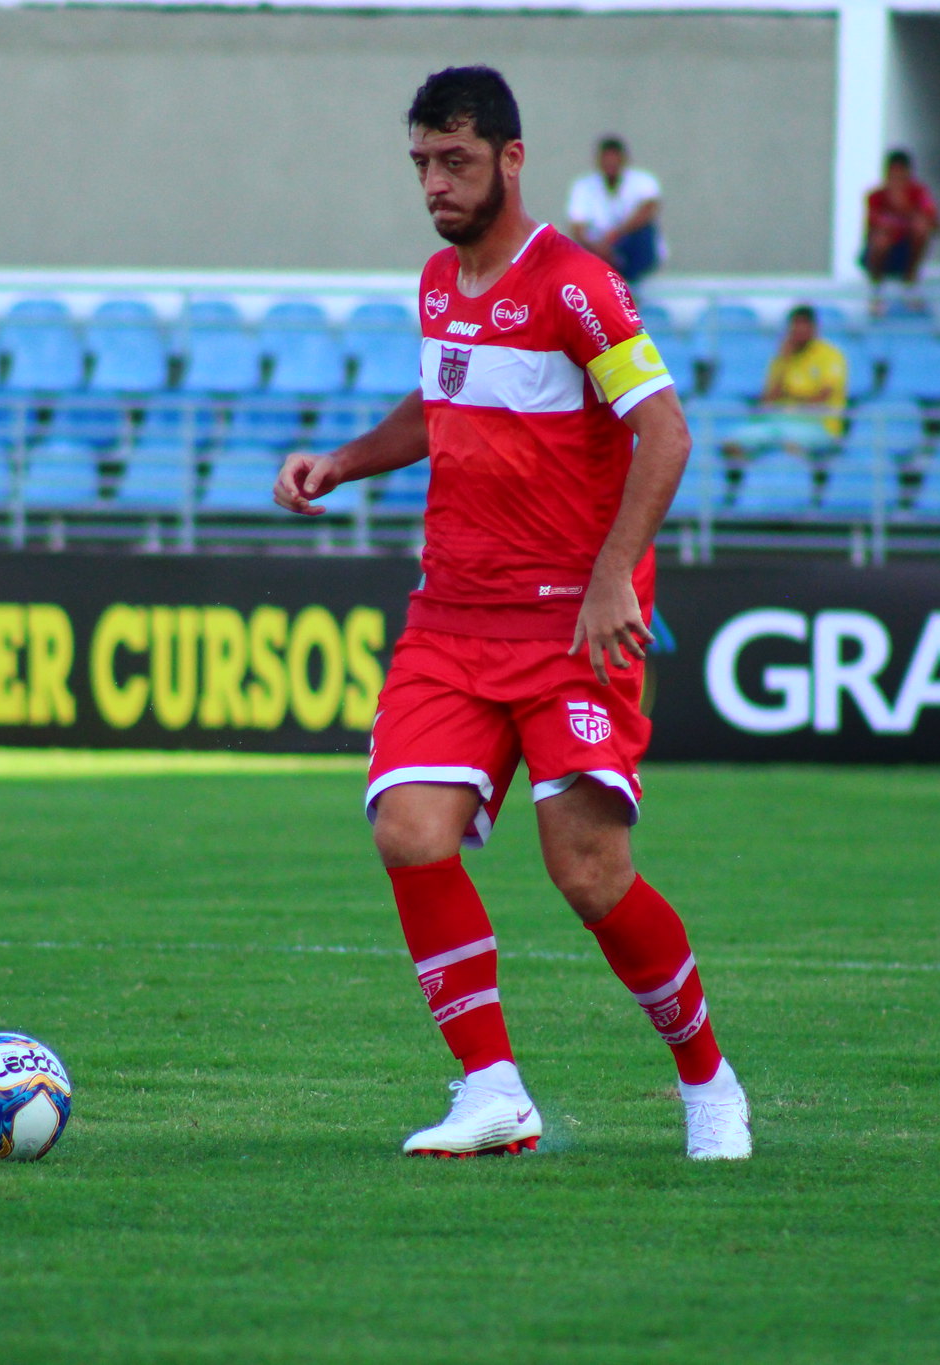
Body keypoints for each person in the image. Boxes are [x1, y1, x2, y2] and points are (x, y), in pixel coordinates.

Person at [272, 66, 748, 1162]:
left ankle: (707, 1082)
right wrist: (342, 462)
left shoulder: (576, 286)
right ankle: (490, 1088)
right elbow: (442, 403)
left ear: (511, 159)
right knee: (408, 831)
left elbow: (664, 432)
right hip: (451, 616)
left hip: (568, 623)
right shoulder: (438, 282)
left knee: (586, 872)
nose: (436, 185)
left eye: (457, 162)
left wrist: (611, 575)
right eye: (422, 165)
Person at [728, 305, 847, 450]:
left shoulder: (830, 355)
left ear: (814, 329)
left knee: (788, 445)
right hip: (779, 421)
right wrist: (784, 362)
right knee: (732, 445)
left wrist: (791, 399)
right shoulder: (781, 358)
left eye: (804, 326)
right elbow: (768, 400)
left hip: (819, 425)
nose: (799, 332)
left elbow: (822, 398)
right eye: (795, 327)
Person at [566, 135, 665, 287]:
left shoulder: (643, 181)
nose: (610, 165)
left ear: (624, 160)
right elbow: (578, 227)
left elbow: (648, 209)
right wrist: (600, 247)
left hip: (631, 248)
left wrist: (617, 234)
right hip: (599, 250)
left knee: (643, 234)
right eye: (606, 161)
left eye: (615, 160)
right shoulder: (583, 186)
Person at [862, 150, 939, 285]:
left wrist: (907, 211)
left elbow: (934, 223)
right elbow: (872, 228)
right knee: (881, 240)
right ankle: (875, 284)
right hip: (884, 252)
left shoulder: (919, 194)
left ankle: (910, 278)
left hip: (907, 250)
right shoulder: (876, 197)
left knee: (921, 227)